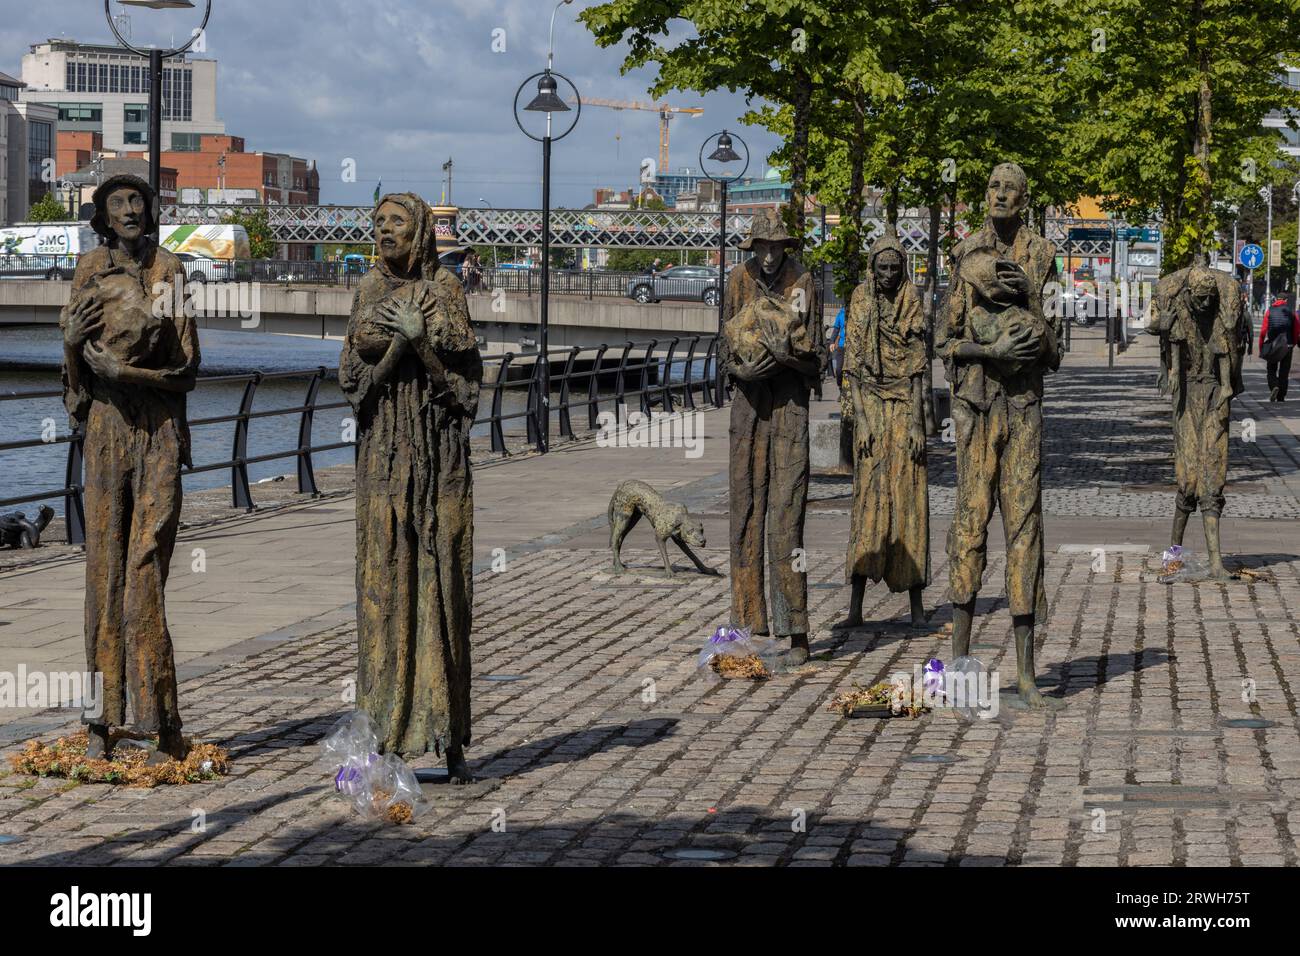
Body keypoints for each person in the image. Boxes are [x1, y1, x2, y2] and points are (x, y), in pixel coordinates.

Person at [340, 192, 483, 782]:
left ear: (421, 231)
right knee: (384, 590)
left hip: (439, 461)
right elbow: (355, 386)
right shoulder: (367, 290)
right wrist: (400, 342)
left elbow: (465, 394)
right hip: (383, 463)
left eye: (397, 222)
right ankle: (387, 734)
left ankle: (448, 734)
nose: (385, 231)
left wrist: (421, 342)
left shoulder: (447, 290)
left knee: (444, 584)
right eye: (378, 222)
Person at [59, 174, 199, 762]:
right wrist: (70, 344)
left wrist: (128, 376)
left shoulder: (169, 270)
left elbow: (188, 368)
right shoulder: (89, 268)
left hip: (159, 430)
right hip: (106, 431)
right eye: (117, 202)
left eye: (137, 200)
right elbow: (76, 373)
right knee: (103, 570)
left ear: (149, 209)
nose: (129, 210)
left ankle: (159, 720)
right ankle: (100, 720)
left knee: (144, 568)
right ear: (102, 215)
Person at [937, 161, 1061, 708]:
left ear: (1025, 199)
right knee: (969, 521)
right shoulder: (966, 255)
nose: (1000, 195)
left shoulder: (1045, 255)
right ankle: (960, 667)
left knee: (1025, 527)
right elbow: (943, 341)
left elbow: (1055, 352)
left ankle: (1027, 675)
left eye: (1011, 189)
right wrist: (989, 351)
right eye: (992, 187)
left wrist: (1031, 299)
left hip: (1024, 408)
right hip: (976, 407)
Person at [719, 207, 822, 665]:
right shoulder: (737, 280)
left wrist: (783, 359)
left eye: (775, 246)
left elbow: (814, 356)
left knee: (786, 514)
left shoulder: (803, 282)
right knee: (745, 511)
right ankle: (746, 622)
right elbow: (723, 348)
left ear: (785, 248)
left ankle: (796, 629)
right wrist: (742, 369)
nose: (767, 254)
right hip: (748, 405)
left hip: (788, 407)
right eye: (761, 246)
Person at [840, 229, 930, 629]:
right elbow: (854, 366)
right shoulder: (861, 298)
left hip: (903, 403)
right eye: (883, 267)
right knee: (869, 500)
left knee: (909, 498)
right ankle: (856, 606)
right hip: (871, 404)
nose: (890, 274)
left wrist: (917, 423)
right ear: (872, 268)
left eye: (895, 267)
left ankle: (916, 605)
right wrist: (860, 420)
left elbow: (917, 366)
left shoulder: (912, 298)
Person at [1147, 265, 1244, 580]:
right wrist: (1161, 331)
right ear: (1187, 294)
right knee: (1187, 480)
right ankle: (1172, 557)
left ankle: (1216, 561)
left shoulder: (1218, 315)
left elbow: (1226, 356)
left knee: (1212, 476)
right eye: (1200, 299)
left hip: (1214, 394)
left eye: (1209, 299)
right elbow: (1164, 340)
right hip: (1187, 397)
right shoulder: (1178, 311)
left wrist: (1228, 386)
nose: (1205, 305)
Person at [1259, 292, 1299, 401]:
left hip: (1273, 345)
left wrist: (1261, 346)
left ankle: (1274, 386)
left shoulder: (1269, 311)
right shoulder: (1291, 312)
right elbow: (1296, 329)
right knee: (1284, 371)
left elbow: (1263, 330)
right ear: (1286, 300)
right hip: (1288, 344)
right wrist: (1294, 342)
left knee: (1271, 369)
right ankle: (1281, 396)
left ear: (1276, 299)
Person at [829, 305, 847, 388]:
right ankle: (840, 387)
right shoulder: (841, 313)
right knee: (839, 370)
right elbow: (836, 329)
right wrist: (832, 342)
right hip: (841, 346)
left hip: (853, 346)